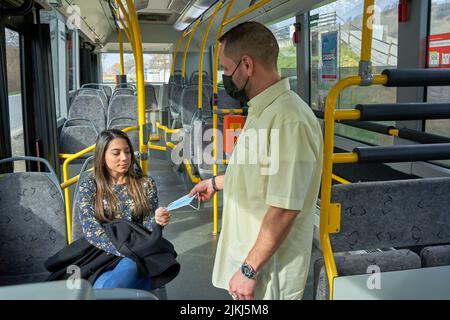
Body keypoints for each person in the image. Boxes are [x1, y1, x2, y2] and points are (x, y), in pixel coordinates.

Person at [189, 22, 323, 300]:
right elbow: (258, 174)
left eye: (226, 69)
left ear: (246, 65)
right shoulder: (262, 109)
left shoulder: (289, 120)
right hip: (249, 259)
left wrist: (249, 270)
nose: (225, 77)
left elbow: (285, 207)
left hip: (267, 273)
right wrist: (215, 183)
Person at [77, 129, 171, 290]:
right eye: (116, 153)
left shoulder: (145, 183)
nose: (124, 158)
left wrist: (158, 222)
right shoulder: (89, 185)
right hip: (101, 252)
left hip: (135, 250)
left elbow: (147, 226)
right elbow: (90, 228)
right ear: (102, 155)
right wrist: (125, 251)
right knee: (106, 288)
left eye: (127, 152)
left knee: (110, 287)